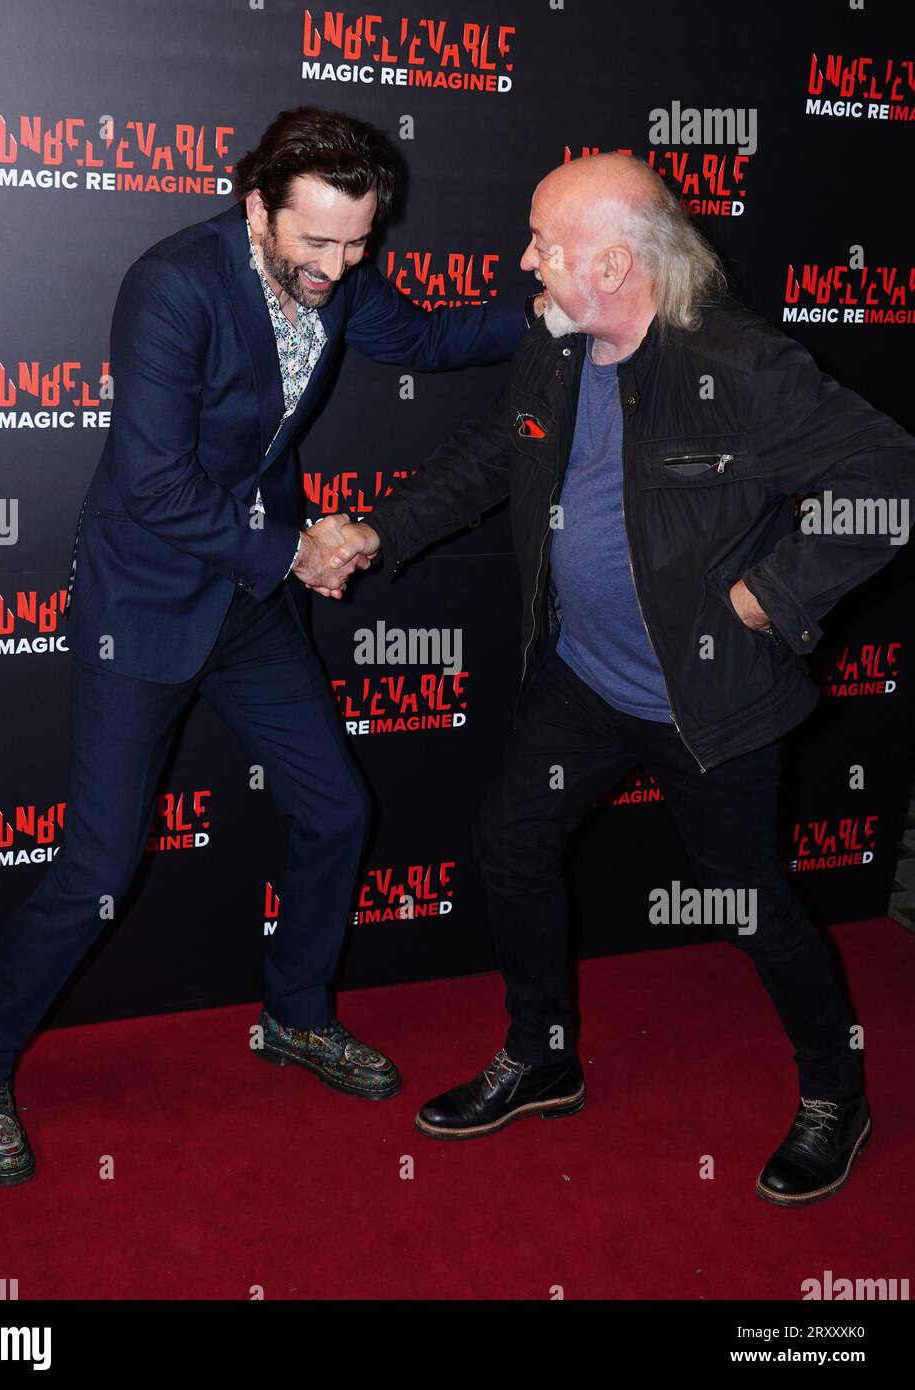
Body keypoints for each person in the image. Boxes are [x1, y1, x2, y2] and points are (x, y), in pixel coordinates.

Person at [0, 106, 538, 1187]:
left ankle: (294, 1016)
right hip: (155, 595)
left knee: (337, 807)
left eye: (357, 244)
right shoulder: (172, 285)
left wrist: (554, 312)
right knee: (100, 863)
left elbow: (427, 339)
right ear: (256, 205)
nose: (338, 266)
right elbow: (155, 484)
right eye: (316, 242)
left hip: (251, 604)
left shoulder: (340, 268)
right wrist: (296, 554)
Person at [328, 151, 915, 1206]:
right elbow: (495, 455)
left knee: (750, 906)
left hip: (704, 705)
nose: (525, 261)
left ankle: (836, 1092)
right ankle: (544, 1055)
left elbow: (890, 476)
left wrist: (776, 596)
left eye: (543, 244)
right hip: (583, 682)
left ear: (610, 262)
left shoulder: (740, 367)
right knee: (511, 844)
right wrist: (380, 527)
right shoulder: (558, 342)